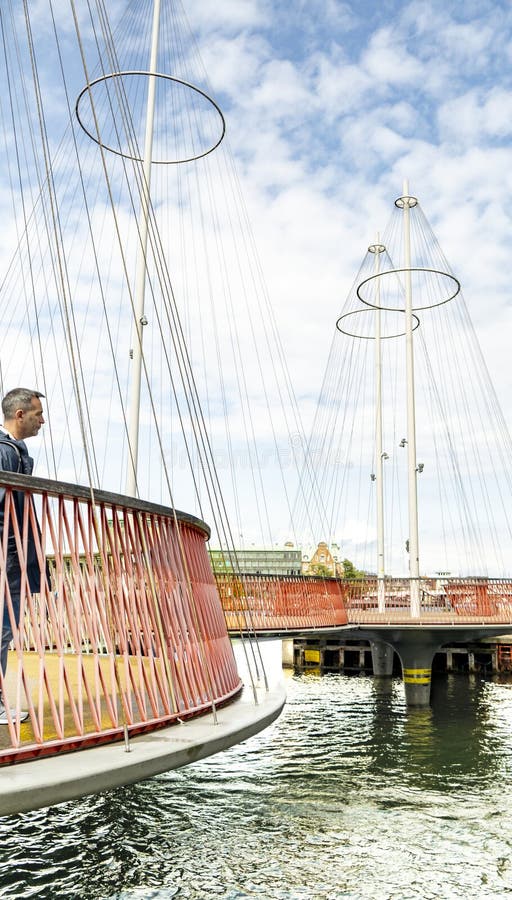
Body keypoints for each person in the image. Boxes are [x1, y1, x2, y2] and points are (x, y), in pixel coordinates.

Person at [0, 388, 45, 724]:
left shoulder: (12, 450)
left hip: (11, 552)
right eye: (37, 414)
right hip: (7, 553)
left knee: (4, 629)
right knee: (3, 628)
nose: (42, 421)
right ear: (20, 415)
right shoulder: (6, 452)